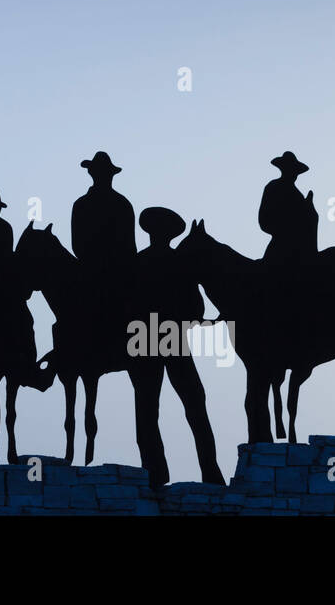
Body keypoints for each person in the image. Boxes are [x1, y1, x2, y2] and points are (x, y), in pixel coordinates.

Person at [132, 206, 224, 485]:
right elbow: (195, 305)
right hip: (170, 335)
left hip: (145, 336)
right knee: (194, 403)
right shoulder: (179, 264)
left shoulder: (138, 262)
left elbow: (124, 304)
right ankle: (210, 471)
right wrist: (195, 320)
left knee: (148, 408)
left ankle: (155, 472)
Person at [71, 151, 137, 276]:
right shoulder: (122, 203)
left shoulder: (81, 204)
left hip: (99, 270)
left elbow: (78, 244)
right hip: (115, 271)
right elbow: (130, 247)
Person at [258, 151, 318, 265]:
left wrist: (309, 211)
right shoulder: (273, 187)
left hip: (298, 246)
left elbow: (308, 223)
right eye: (292, 170)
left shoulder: (298, 196)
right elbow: (264, 220)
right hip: (280, 245)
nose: (294, 174)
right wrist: (286, 229)